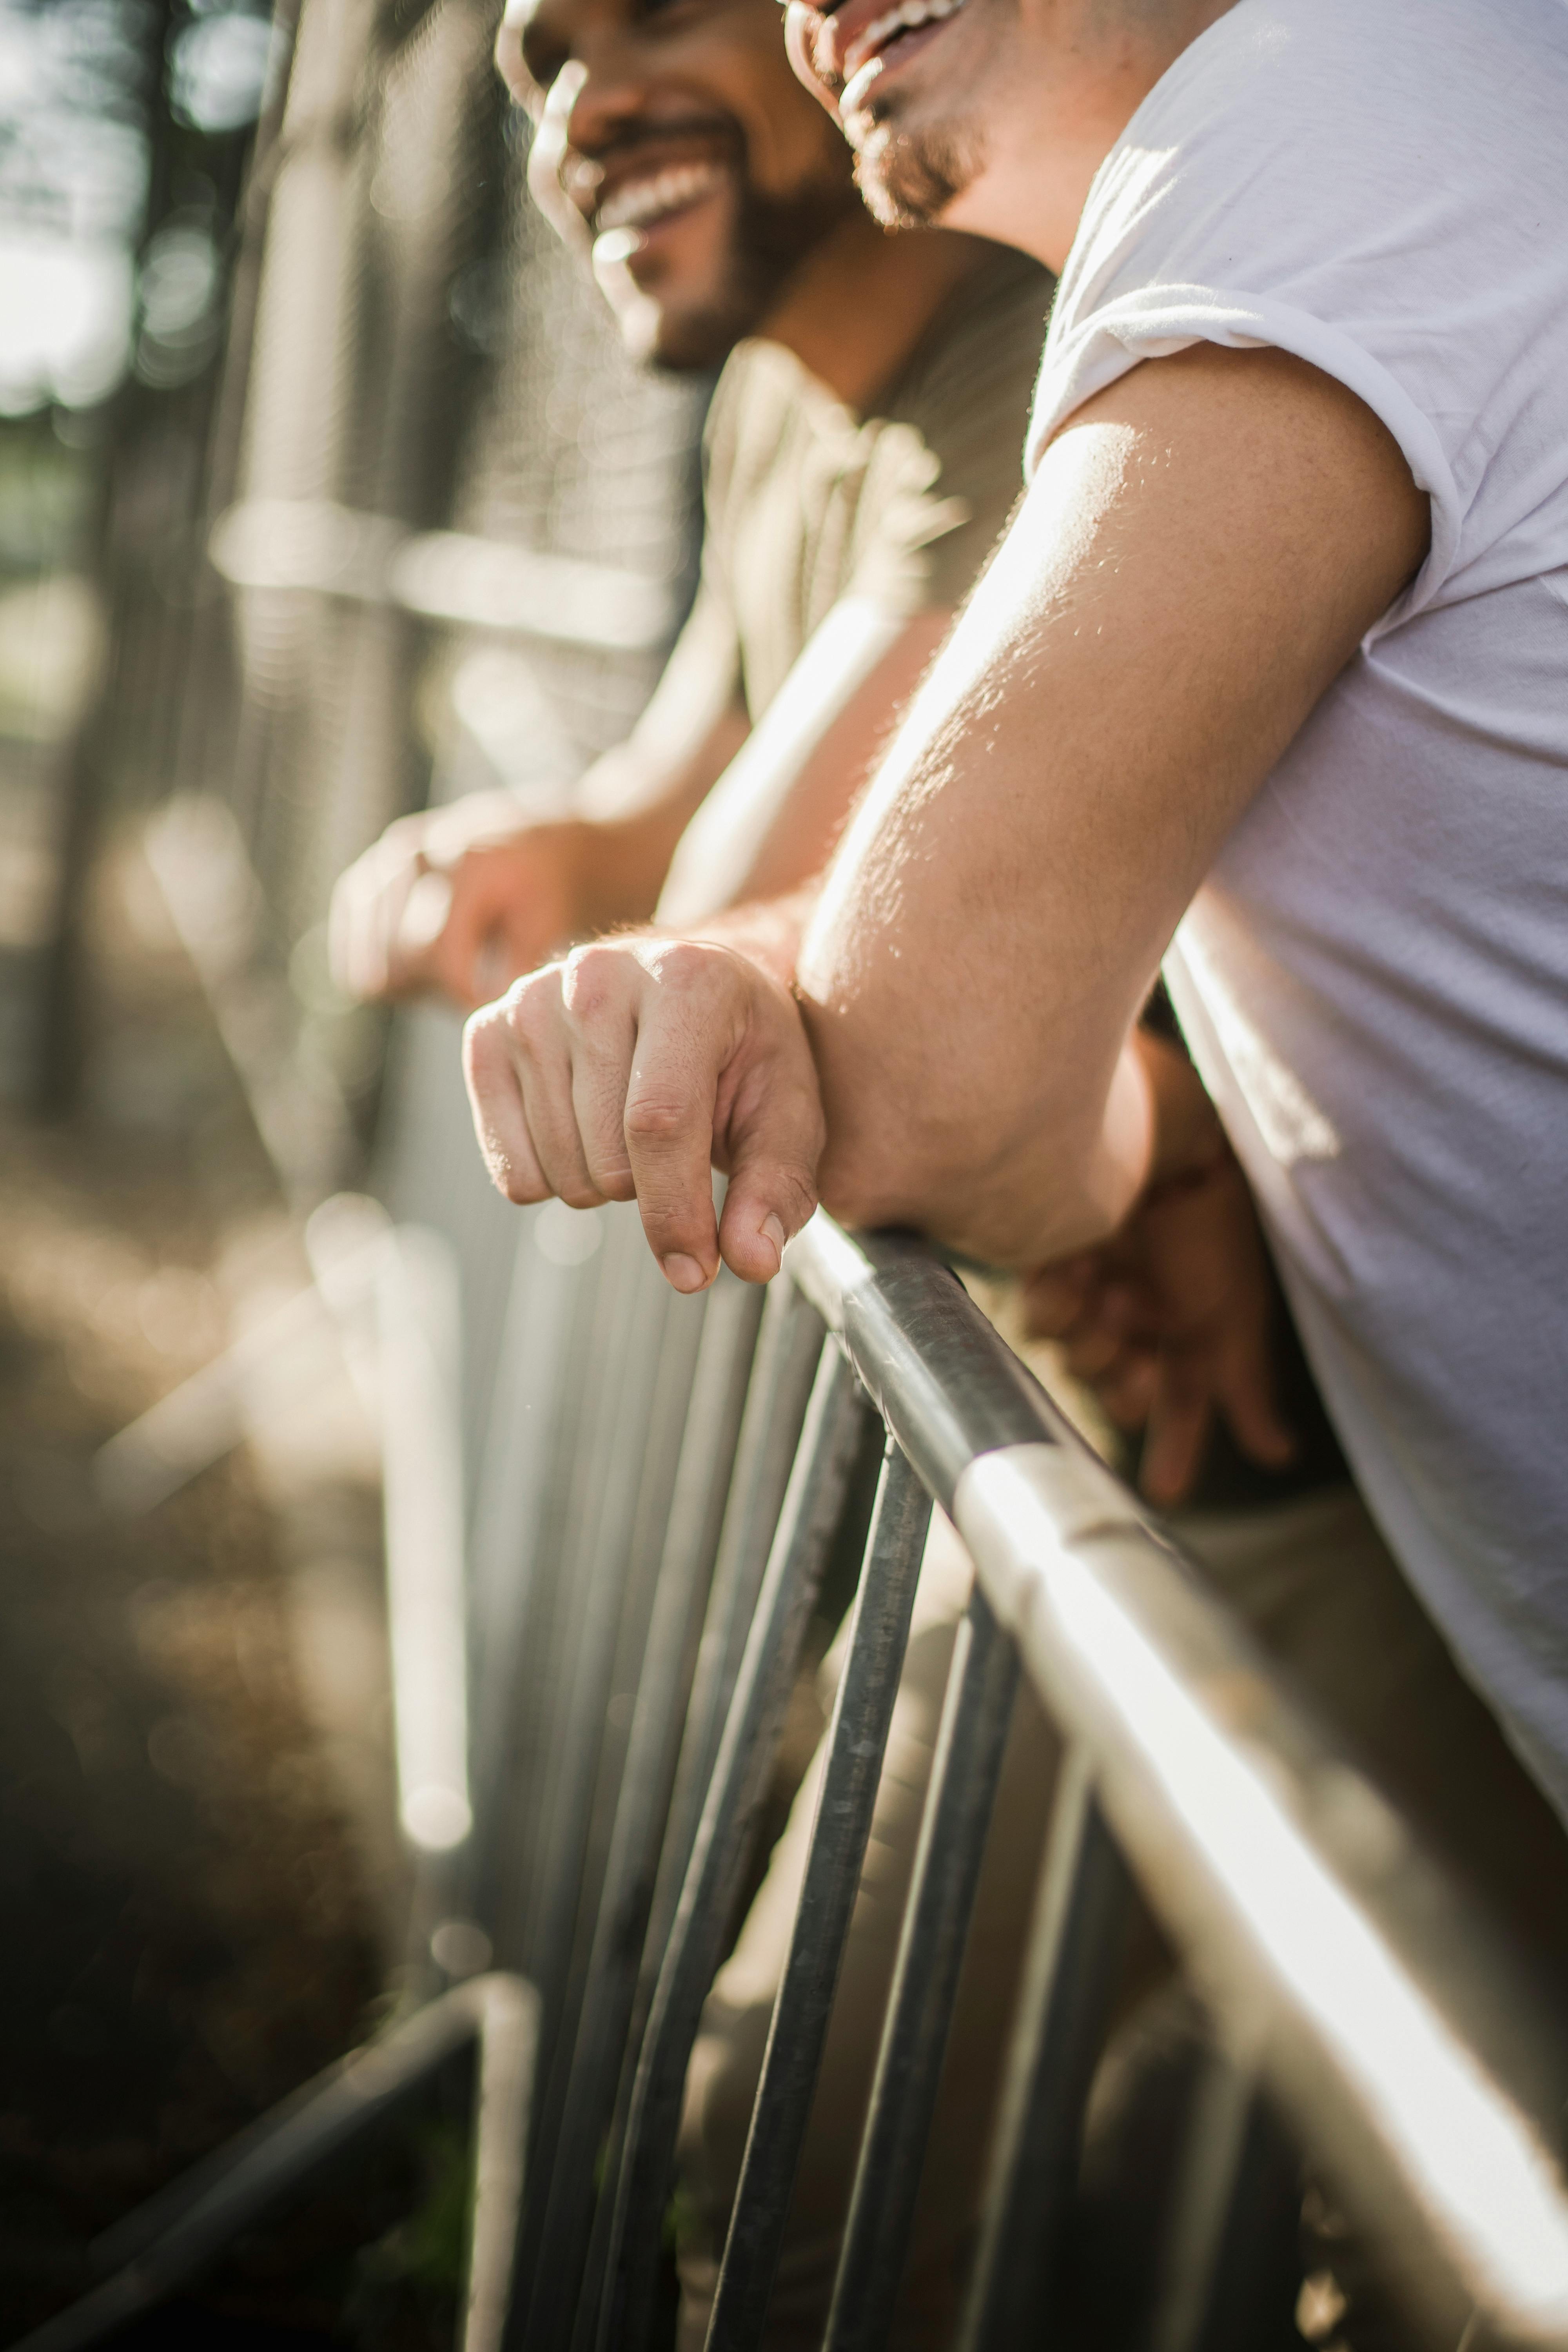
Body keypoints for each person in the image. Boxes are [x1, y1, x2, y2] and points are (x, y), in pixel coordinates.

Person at [464, 0, 1568, 2336]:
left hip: (1300, 1523)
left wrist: (803, 993)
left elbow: (927, 1051)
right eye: (524, 62)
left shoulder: (1313, 138)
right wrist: (1151, 1120)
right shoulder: (1294, 176)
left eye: (634, 16)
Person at [327, 0, 1049, 1007]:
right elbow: (689, 784)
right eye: (546, 74)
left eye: (665, 13)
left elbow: (733, 903)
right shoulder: (767, 397)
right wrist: (543, 853)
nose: (581, 116)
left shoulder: (1040, 370)